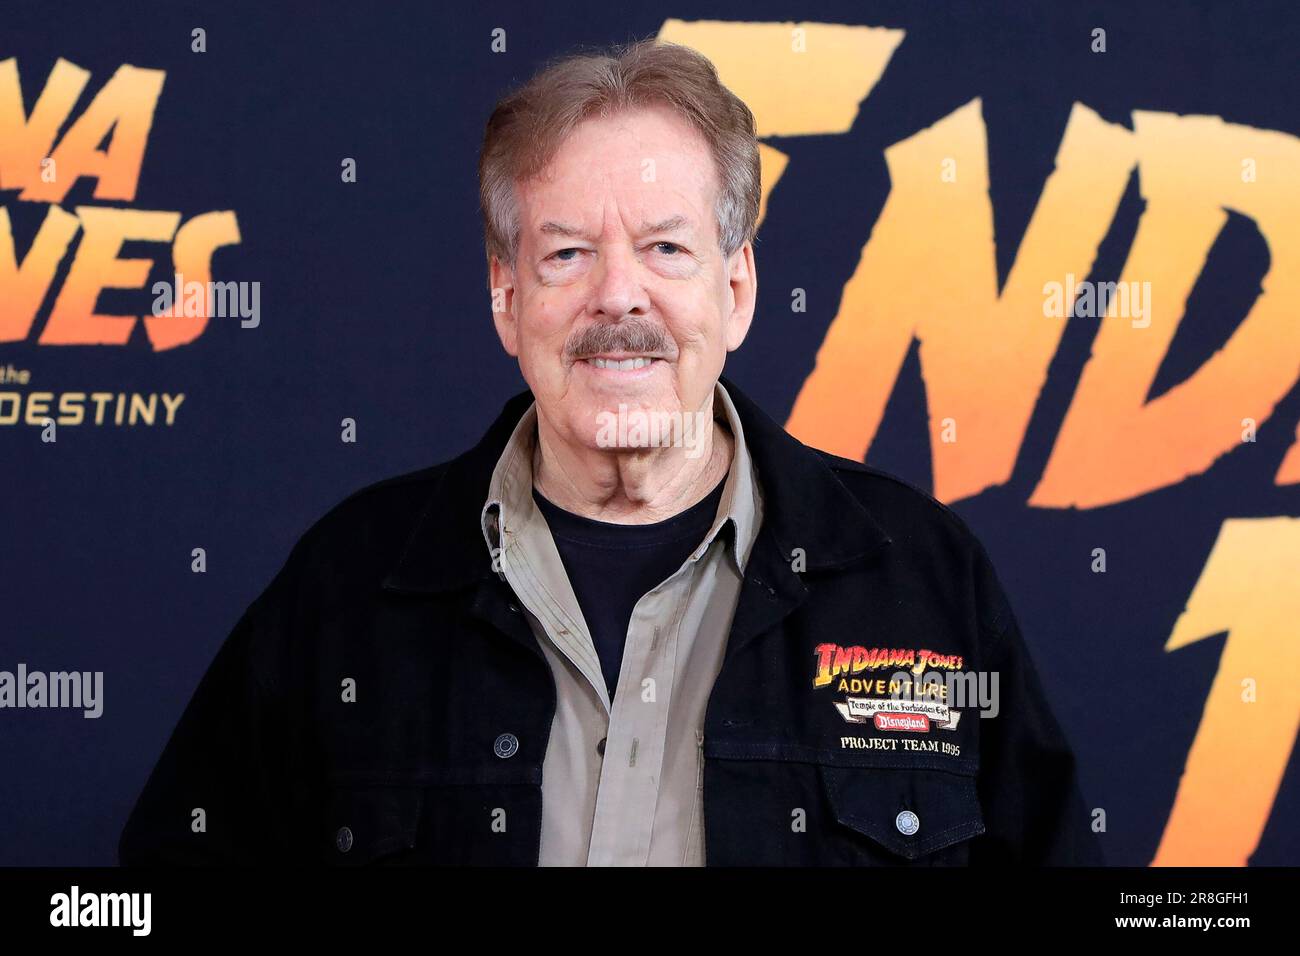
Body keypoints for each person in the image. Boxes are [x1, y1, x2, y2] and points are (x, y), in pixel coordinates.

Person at [119, 38, 1103, 867]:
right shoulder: (348, 588)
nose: (619, 296)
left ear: (737, 289)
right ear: (508, 297)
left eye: (666, 249)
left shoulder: (921, 581)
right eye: (566, 253)